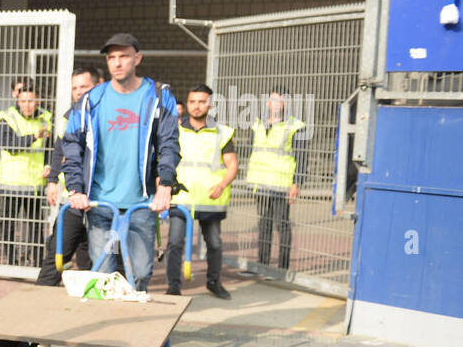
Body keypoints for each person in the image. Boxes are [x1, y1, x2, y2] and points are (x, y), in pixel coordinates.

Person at [61, 34, 180, 293]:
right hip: (100, 203)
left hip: (141, 202)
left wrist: (165, 185)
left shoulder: (158, 96)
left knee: (139, 275)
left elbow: (169, 143)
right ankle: (107, 331)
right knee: (102, 274)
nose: (117, 63)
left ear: (137, 58)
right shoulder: (92, 100)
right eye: (111, 57)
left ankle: (136, 327)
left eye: (124, 56)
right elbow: (72, 146)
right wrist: (76, 188)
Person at [166, 84, 235, 299]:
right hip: (181, 196)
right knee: (175, 242)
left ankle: (214, 282)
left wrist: (222, 185)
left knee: (214, 243)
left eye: (202, 101)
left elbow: (232, 164)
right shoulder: (174, 130)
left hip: (209, 197)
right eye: (193, 101)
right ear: (187, 104)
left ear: (210, 104)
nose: (197, 106)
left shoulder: (222, 132)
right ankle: (173, 287)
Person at [36, 65, 98, 287]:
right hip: (72, 200)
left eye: (84, 86)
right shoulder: (67, 118)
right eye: (75, 88)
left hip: (99, 202)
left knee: (94, 263)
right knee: (56, 256)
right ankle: (37, 303)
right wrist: (52, 181)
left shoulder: (107, 116)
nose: (79, 92)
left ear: (98, 86)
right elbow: (59, 151)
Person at [0, 79, 51, 266]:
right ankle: (12, 263)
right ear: (18, 100)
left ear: (38, 100)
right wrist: (33, 137)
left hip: (34, 183)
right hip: (11, 182)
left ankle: (38, 264)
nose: (27, 105)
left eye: (31, 101)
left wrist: (49, 166)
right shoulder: (7, 117)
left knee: (35, 227)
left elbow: (51, 148)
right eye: (23, 101)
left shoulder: (45, 119)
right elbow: (9, 145)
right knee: (8, 226)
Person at [245, 90, 306, 272]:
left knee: (282, 225)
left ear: (286, 103)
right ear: (268, 103)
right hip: (260, 183)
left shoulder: (295, 126)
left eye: (281, 101)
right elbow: (251, 151)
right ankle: (262, 264)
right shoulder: (257, 124)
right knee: (264, 224)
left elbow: (302, 157)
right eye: (273, 100)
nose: (276, 104)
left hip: (281, 183)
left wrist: (296, 183)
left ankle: (282, 268)